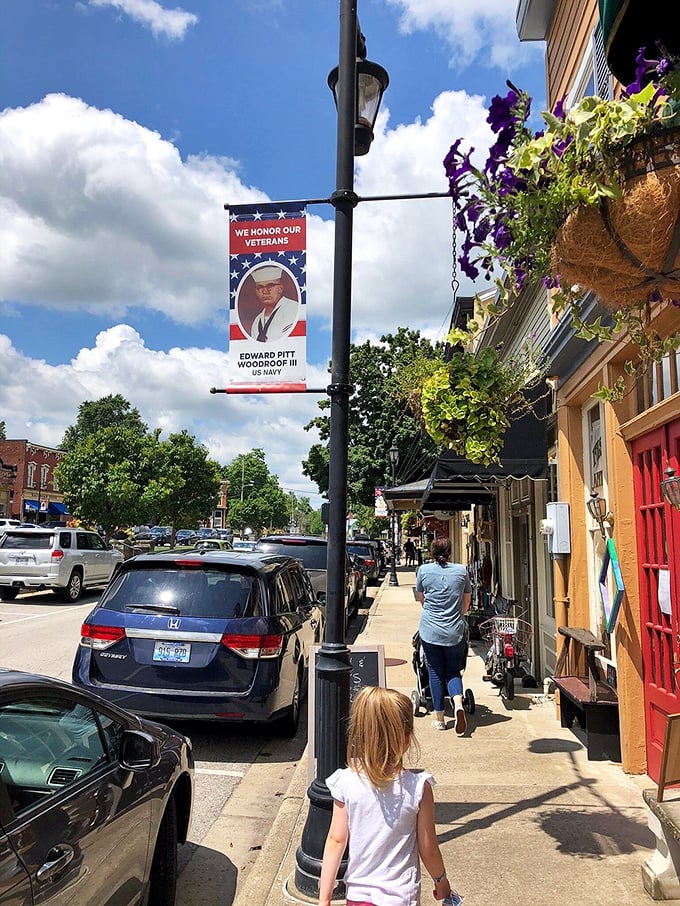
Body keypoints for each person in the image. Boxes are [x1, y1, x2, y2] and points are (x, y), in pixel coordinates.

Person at [318, 686, 460, 906]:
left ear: (359, 734)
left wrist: (324, 899)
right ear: (406, 738)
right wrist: (441, 881)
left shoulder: (346, 783)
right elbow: (428, 847)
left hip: (358, 897)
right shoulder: (418, 788)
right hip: (401, 897)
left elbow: (336, 840)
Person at [415, 538, 472, 735]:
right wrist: (456, 615)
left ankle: (439, 719)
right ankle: (458, 704)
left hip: (430, 631)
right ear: (450, 552)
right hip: (454, 631)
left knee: (435, 673)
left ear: (432, 552)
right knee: (453, 671)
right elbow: (466, 602)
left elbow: (422, 599)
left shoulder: (423, 570)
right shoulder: (461, 571)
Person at [248, 265, 299, 342]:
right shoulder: (257, 321)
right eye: (260, 287)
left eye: (270, 286)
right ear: (256, 291)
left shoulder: (293, 309)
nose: (265, 291)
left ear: (280, 288)